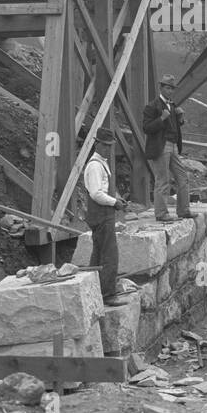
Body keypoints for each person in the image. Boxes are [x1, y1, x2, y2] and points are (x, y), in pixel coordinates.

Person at [82, 126, 128, 304]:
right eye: (106, 145)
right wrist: (114, 202)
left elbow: (103, 190)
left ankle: (93, 290)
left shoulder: (102, 162)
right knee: (109, 255)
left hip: (102, 214)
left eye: (110, 146)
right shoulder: (95, 166)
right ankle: (108, 295)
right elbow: (95, 194)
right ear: (97, 144)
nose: (108, 149)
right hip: (101, 215)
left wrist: (116, 199)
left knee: (98, 254)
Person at [143, 74, 192, 223]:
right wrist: (162, 118)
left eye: (172, 88)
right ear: (161, 88)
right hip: (161, 145)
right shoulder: (152, 106)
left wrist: (180, 119)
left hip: (173, 145)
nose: (170, 91)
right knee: (163, 181)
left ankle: (184, 210)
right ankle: (161, 214)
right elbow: (146, 128)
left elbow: (173, 127)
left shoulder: (172, 105)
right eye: (167, 88)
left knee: (182, 177)